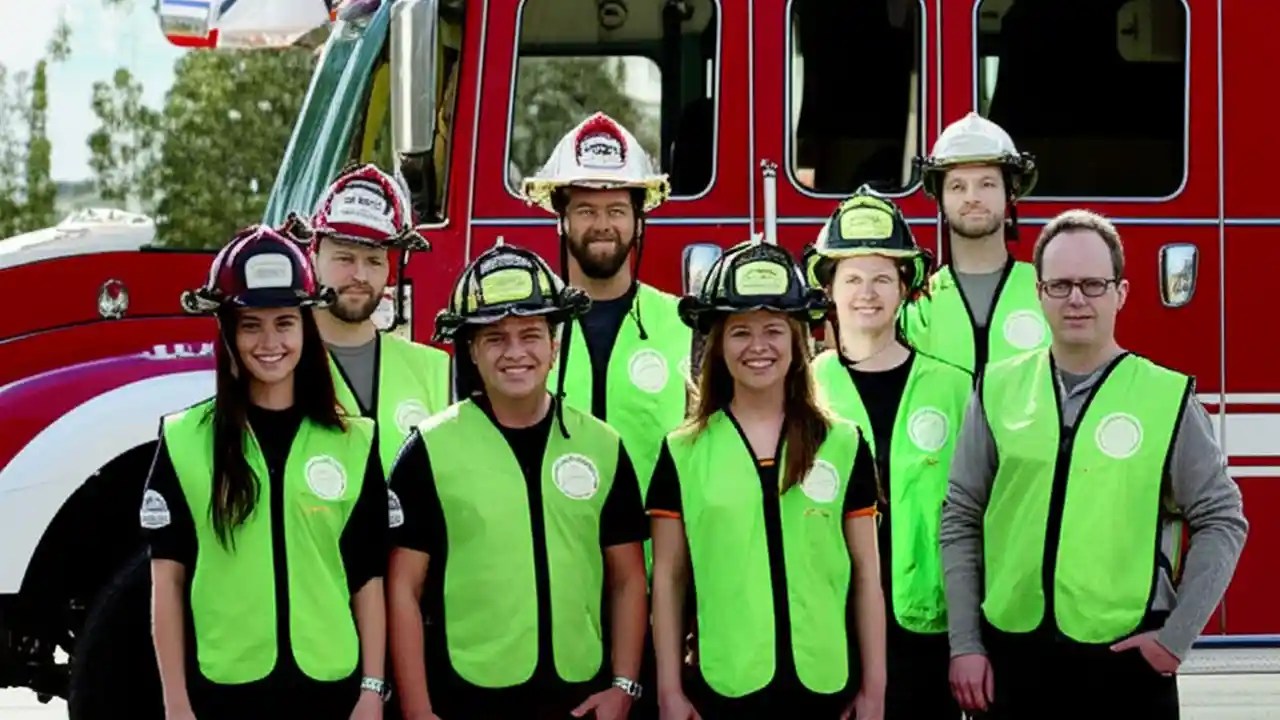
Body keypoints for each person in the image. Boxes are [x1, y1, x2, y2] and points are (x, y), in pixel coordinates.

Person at [939, 209, 1249, 719]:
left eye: (1093, 284)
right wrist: (966, 644)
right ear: (1039, 293)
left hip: (1124, 665)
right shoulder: (997, 388)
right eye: (1060, 285)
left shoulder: (1165, 397)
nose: (1076, 299)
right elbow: (960, 517)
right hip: (1013, 660)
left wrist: (1175, 638)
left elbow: (1223, 519)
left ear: (1120, 293)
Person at [385, 242, 651, 719]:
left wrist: (623, 686)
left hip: (580, 701)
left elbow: (629, 578)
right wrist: (418, 709)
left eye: (530, 334)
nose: (515, 353)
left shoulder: (603, 446)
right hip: (467, 700)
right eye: (494, 338)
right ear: (472, 350)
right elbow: (403, 588)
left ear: (555, 344)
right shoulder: (427, 450)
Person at [140, 225, 390, 719]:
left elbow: (367, 578)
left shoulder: (355, 441)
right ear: (228, 333)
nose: (270, 342)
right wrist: (176, 704)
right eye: (250, 325)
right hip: (223, 697)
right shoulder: (184, 440)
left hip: (332, 696)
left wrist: (371, 689)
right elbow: (166, 584)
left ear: (306, 328)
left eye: (285, 322)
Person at [646, 238, 887, 719]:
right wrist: (669, 690)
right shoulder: (682, 452)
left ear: (797, 342)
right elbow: (669, 579)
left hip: (825, 690)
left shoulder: (843, 443)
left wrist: (874, 689)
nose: (758, 347)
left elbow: (867, 575)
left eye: (774, 330)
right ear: (718, 345)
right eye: (740, 332)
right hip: (724, 691)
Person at [522, 111, 692, 718]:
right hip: (548, 602)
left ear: (639, 220)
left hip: (662, 600)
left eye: (617, 209)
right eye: (587, 209)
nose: (602, 225)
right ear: (561, 216)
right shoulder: (522, 329)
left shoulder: (684, 326)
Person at [803, 186, 972, 719]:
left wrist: (971, 639)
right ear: (829, 289)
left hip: (929, 631)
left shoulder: (954, 387)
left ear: (905, 287)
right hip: (830, 628)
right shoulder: (802, 390)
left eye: (882, 278)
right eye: (852, 279)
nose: (867, 293)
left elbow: (976, 515)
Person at [283, 162, 452, 477]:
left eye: (374, 260)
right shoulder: (279, 366)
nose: (360, 275)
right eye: (345, 258)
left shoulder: (436, 371)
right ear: (313, 257)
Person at [902, 111, 1050, 375]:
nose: (972, 198)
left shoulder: (1049, 292)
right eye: (957, 187)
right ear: (940, 197)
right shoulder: (916, 305)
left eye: (987, 184)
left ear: (1011, 191)